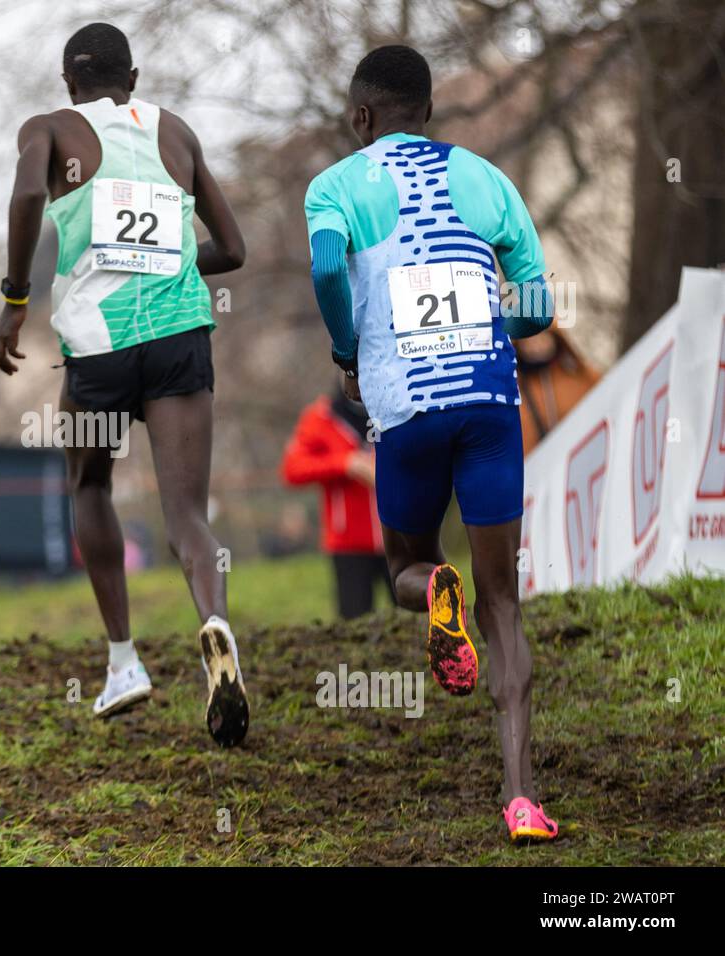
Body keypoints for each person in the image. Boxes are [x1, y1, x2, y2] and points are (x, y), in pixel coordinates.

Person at [304, 45, 558, 841]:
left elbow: (322, 267)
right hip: (488, 402)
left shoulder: (337, 186)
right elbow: (540, 304)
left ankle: (434, 590)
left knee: (405, 562)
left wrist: (347, 351)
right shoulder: (487, 179)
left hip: (408, 408)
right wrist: (493, 323)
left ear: (361, 117)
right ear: (429, 113)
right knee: (506, 607)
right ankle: (521, 800)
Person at [0, 23, 249, 746]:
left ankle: (124, 663)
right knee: (187, 516)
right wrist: (169, 257)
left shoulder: (48, 128)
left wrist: (15, 300)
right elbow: (232, 249)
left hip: (99, 351)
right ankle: (215, 623)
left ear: (68, 84)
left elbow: (22, 199)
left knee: (90, 488)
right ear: (131, 79)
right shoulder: (178, 134)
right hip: (179, 340)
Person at [281, 384, 393, 619]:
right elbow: (292, 468)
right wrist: (346, 464)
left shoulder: (398, 407)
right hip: (348, 543)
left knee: (417, 617)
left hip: (403, 535)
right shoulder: (321, 416)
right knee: (355, 624)